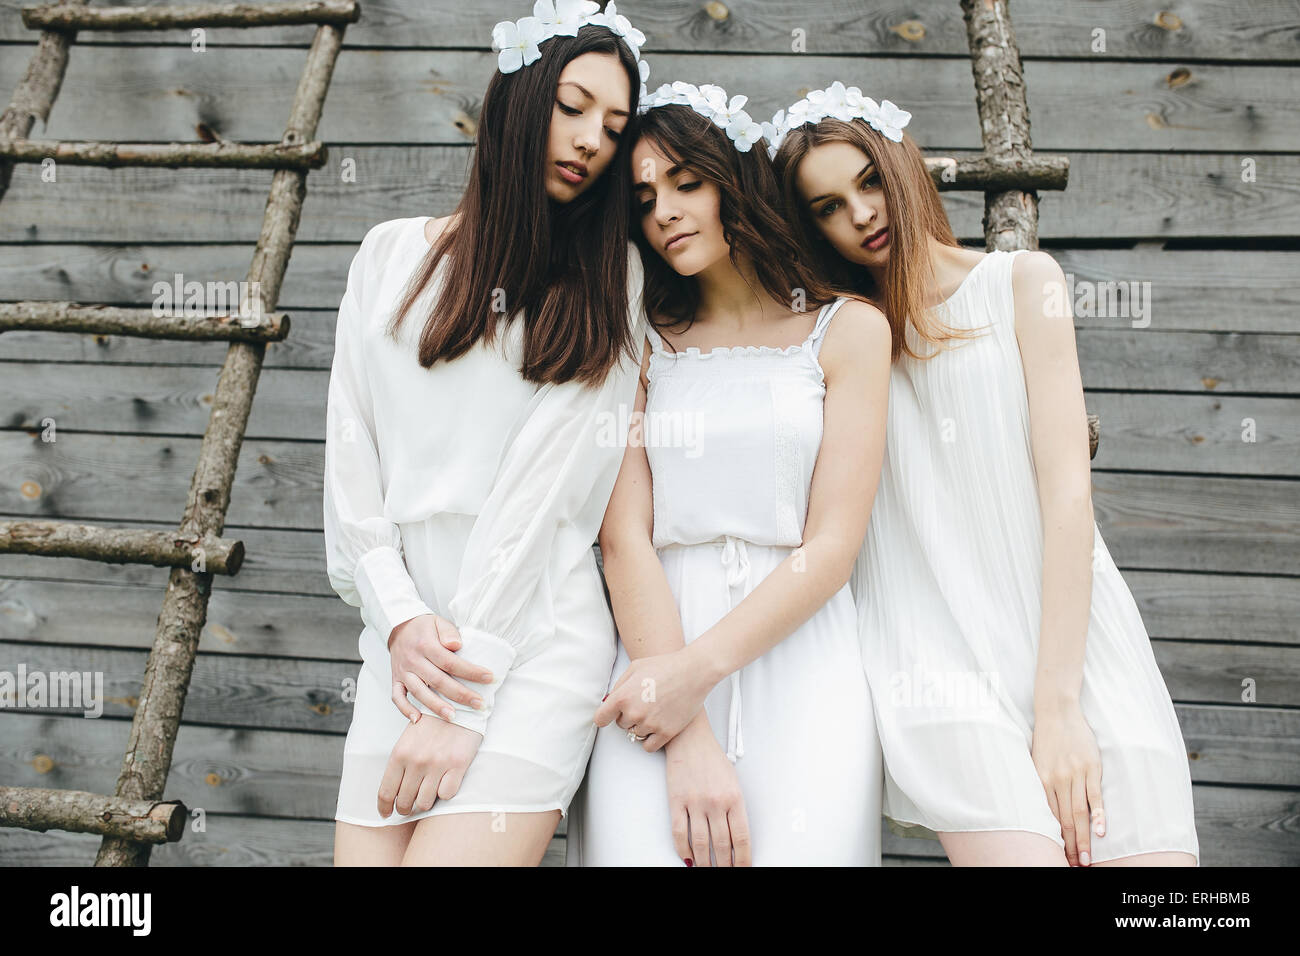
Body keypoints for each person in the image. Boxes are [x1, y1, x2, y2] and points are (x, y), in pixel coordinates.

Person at [767, 82, 1199, 866]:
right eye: (828, 206)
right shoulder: (831, 339)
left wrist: (1058, 707)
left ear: (902, 167)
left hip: (1077, 650)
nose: (860, 214)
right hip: (936, 668)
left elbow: (1068, 495)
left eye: (869, 181)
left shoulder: (1023, 284)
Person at [325, 2, 652, 866]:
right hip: (404, 649)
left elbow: (544, 492)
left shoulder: (609, 277)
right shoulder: (388, 256)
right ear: (520, 99)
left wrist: (464, 699)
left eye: (614, 127)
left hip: (527, 647)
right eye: (573, 107)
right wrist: (399, 620)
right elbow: (351, 456)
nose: (591, 140)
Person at [568, 81, 892, 866]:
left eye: (687, 184)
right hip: (653, 645)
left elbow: (833, 544)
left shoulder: (848, 330)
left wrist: (698, 671)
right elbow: (624, 539)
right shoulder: (637, 340)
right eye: (645, 199)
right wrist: (681, 717)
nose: (664, 213)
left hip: (806, 659)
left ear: (735, 182)